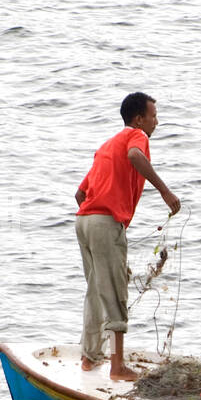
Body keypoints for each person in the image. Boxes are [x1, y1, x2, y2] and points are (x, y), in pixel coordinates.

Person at [74, 91, 181, 381]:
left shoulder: (107, 145)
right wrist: (164, 191)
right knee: (115, 290)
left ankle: (89, 357)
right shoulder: (137, 138)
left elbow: (80, 193)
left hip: (84, 221)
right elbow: (135, 155)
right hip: (105, 223)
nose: (156, 122)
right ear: (139, 119)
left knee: (96, 290)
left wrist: (95, 216)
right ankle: (117, 367)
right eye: (154, 116)